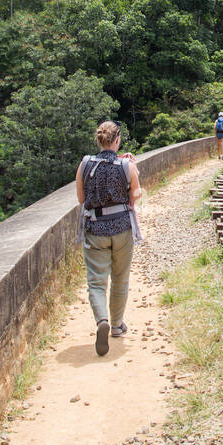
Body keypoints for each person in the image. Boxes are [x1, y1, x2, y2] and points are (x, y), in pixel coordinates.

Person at [76, 121, 143, 356]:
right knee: (120, 278)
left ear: (99, 140)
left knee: (96, 281)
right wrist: (131, 173)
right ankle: (116, 325)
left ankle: (101, 319)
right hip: (122, 227)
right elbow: (135, 195)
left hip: (95, 228)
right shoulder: (127, 165)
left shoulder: (85, 164)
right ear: (117, 141)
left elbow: (81, 198)